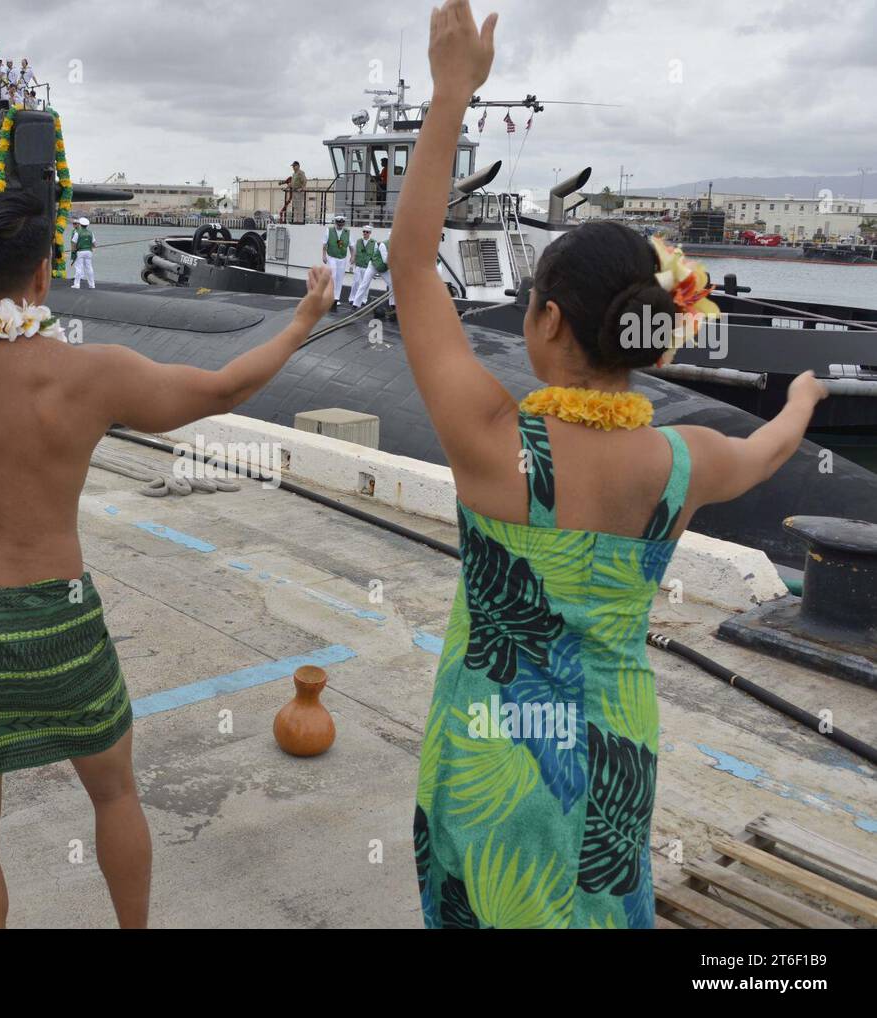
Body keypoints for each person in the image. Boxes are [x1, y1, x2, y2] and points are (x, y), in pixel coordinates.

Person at [0, 127, 334, 929]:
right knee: (116, 793)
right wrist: (302, 319)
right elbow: (225, 387)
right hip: (62, 619)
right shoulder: (93, 374)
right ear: (45, 271)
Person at [394, 1, 827, 931]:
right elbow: (769, 453)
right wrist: (802, 399)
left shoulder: (489, 437)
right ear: (649, 340)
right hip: (612, 748)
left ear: (546, 321)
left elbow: (409, 266)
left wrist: (450, 94)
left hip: (493, 749)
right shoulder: (685, 461)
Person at [350, 225, 394, 314]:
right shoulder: (383, 245)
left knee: (392, 284)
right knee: (364, 284)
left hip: (383, 269)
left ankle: (392, 306)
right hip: (373, 266)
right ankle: (355, 305)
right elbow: (386, 260)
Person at [321, 214, 350, 309]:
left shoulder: (347, 232)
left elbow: (352, 246)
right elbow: (325, 244)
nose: (340, 224)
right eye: (338, 222)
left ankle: (336, 298)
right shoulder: (329, 231)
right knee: (333, 276)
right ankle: (330, 296)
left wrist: (353, 257)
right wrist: (324, 255)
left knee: (339, 278)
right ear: (335, 222)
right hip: (332, 256)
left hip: (342, 258)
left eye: (342, 222)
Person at [71, 215, 95, 288]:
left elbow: (73, 243)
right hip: (89, 252)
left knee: (79, 268)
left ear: (80, 224)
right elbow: (94, 244)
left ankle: (77, 284)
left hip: (80, 252)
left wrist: (74, 251)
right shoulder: (91, 233)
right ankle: (92, 285)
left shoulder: (77, 232)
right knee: (89, 268)